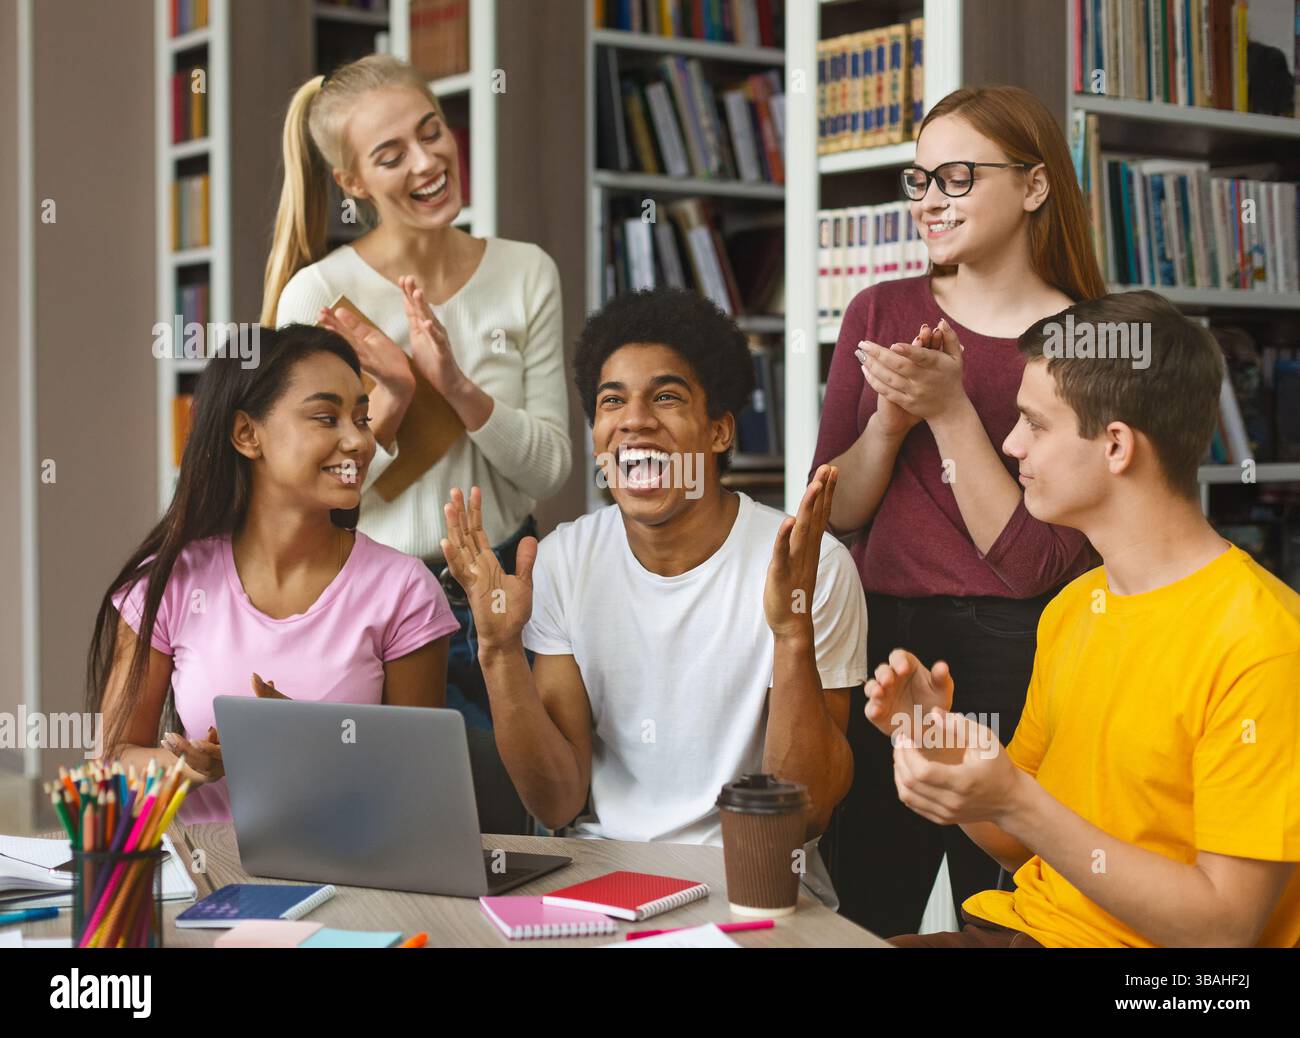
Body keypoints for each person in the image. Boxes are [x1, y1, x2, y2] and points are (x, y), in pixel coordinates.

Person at [871, 291, 1300, 947]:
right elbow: (1024, 846)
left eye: (1035, 424)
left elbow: (1224, 933)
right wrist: (934, 744)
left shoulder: (1264, 642)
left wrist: (1018, 799)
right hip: (1024, 931)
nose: (1012, 444)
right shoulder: (1076, 607)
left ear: (1116, 446)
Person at [440, 288, 868, 902]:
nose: (634, 419)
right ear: (597, 439)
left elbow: (806, 814)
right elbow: (557, 800)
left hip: (750, 882)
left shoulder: (812, 565)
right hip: (598, 878)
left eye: (665, 397)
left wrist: (792, 633)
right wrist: (498, 651)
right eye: (612, 401)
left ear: (720, 430)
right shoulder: (562, 559)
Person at [811, 86, 1105, 933]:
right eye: (921, 179)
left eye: (958, 176)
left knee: (1011, 913)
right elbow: (835, 512)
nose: (931, 200)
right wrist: (890, 423)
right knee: (865, 908)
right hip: (885, 650)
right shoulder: (880, 310)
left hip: (1023, 651)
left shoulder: (1086, 338)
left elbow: (1031, 566)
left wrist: (948, 410)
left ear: (1035, 186)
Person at [263, 54, 571, 746]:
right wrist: (394, 403)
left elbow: (551, 469)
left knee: (527, 829)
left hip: (509, 597)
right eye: (390, 154)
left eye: (432, 132)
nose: (427, 161)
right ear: (351, 181)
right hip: (374, 605)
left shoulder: (527, 272)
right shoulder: (316, 298)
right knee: (396, 832)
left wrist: (459, 389)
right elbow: (304, 490)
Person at [86, 325, 458, 824]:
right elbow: (109, 767)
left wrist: (307, 740)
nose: (358, 441)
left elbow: (420, 791)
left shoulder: (404, 590)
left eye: (362, 419)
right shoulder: (171, 581)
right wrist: (187, 768)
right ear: (247, 434)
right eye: (327, 418)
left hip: (345, 885)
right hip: (200, 887)